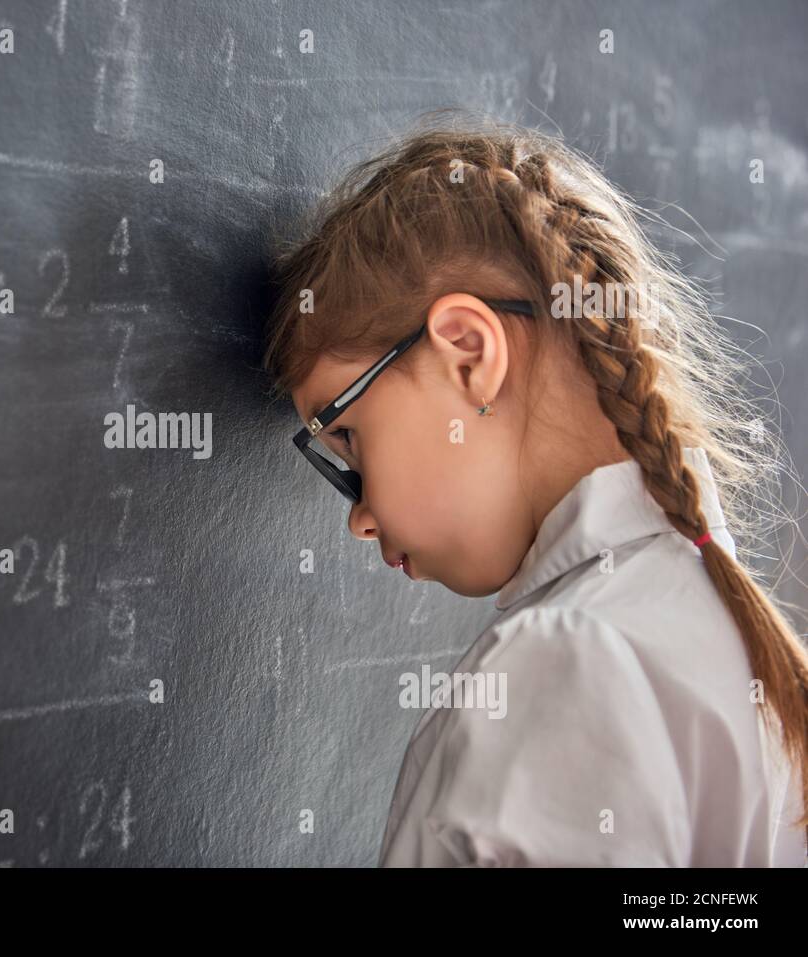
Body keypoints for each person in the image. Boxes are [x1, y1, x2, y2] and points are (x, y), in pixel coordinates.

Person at [262, 114, 808, 866]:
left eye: (347, 435)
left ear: (468, 354)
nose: (358, 516)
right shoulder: (720, 629)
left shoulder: (566, 663)